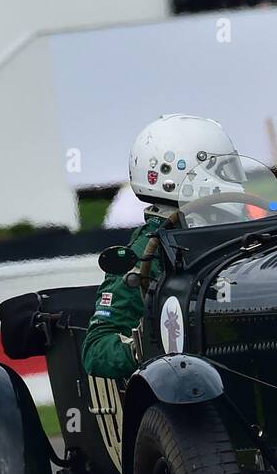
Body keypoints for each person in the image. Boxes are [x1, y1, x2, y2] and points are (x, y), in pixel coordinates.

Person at [82, 115, 243, 380]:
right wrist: (148, 345)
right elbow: (97, 347)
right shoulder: (148, 250)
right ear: (178, 172)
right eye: (217, 168)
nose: (228, 177)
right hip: (188, 389)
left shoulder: (237, 228)